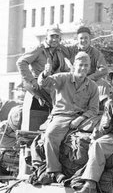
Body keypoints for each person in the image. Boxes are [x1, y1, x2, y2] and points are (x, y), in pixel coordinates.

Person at [27, 51, 101, 185]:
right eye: (80, 65)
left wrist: (80, 119)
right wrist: (45, 73)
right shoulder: (63, 78)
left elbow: (94, 109)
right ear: (74, 66)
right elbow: (44, 83)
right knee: (50, 135)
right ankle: (55, 171)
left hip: (83, 118)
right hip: (62, 115)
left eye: (86, 65)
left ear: (89, 68)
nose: (83, 68)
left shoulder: (92, 86)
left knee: (98, 136)